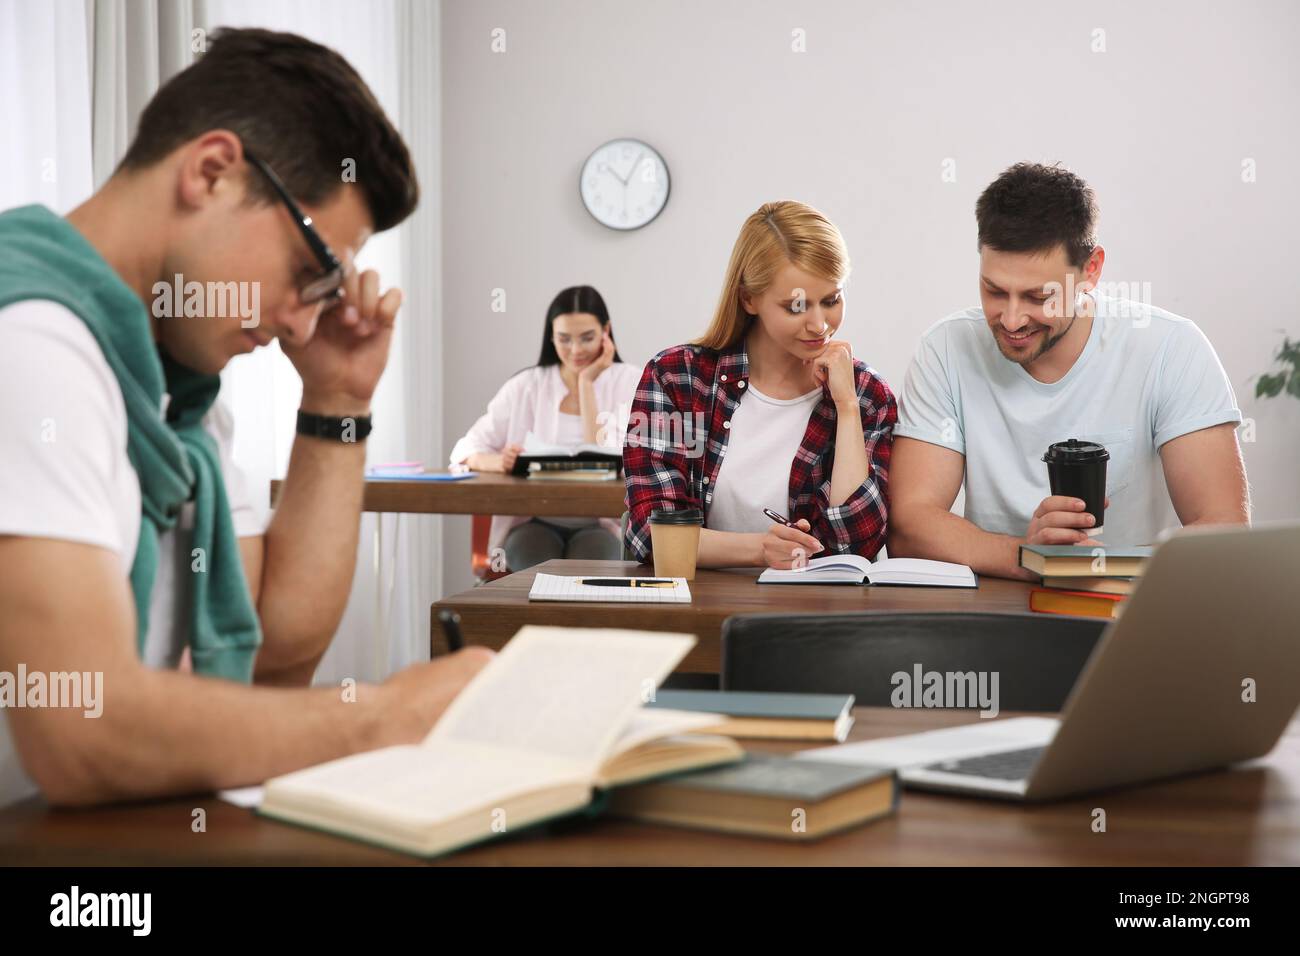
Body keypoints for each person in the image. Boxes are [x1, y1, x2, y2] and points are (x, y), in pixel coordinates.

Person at [0, 28, 491, 809]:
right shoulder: (29, 343)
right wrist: (386, 716)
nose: (301, 327)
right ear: (212, 172)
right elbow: (81, 731)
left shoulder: (177, 392)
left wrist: (339, 401)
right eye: (307, 272)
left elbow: (275, 651)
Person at [887, 162, 1249, 579]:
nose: (1011, 319)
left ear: (1091, 270)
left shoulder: (1170, 347)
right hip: (992, 618)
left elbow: (1223, 531)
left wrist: (1088, 567)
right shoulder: (946, 349)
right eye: (994, 290)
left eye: (1039, 296)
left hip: (1125, 614)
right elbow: (910, 526)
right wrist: (1028, 555)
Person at [624, 201, 896, 569]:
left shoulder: (867, 395)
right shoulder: (675, 377)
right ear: (749, 298)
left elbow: (854, 546)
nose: (819, 324)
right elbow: (652, 533)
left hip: (815, 616)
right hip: (696, 608)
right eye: (796, 306)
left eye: (831, 300)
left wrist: (846, 407)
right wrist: (761, 550)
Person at [449, 286, 642, 571]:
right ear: (551, 336)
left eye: (587, 338)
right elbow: (465, 449)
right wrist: (500, 462)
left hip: (603, 523)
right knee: (534, 573)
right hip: (533, 521)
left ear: (606, 331)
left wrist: (586, 384)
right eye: (564, 339)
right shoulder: (527, 386)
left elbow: (608, 460)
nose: (575, 350)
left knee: (593, 576)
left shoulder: (630, 382)